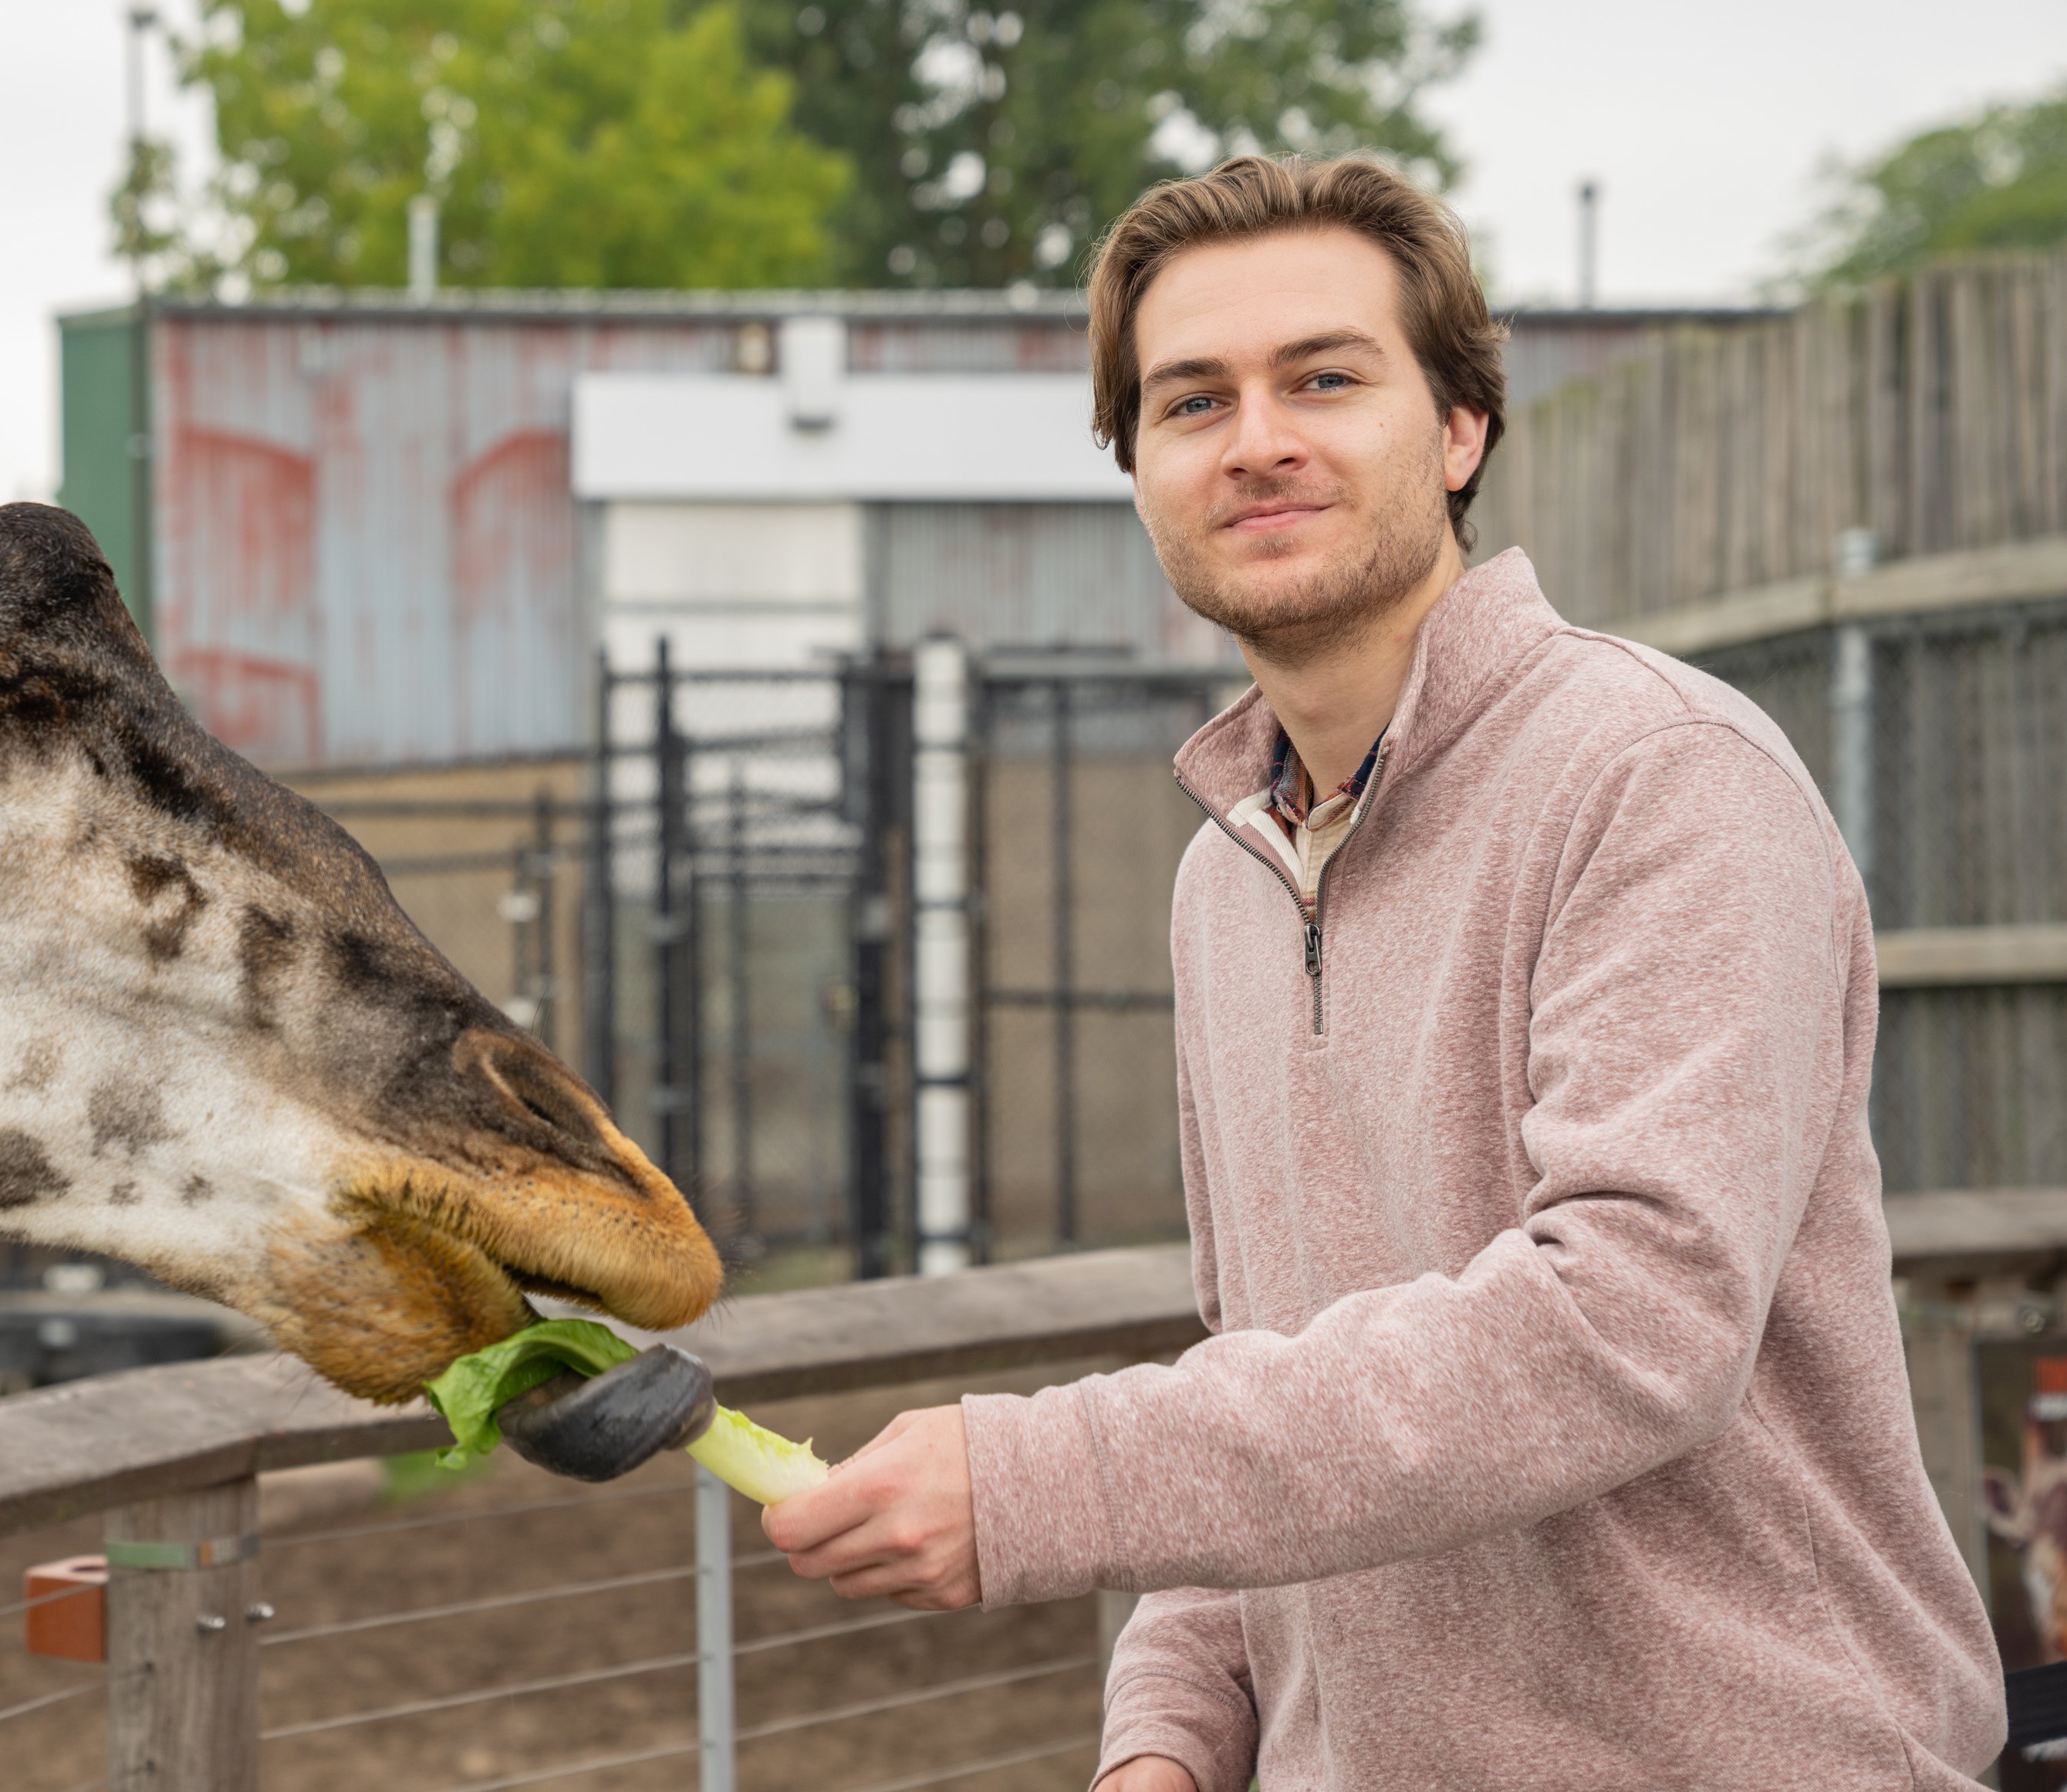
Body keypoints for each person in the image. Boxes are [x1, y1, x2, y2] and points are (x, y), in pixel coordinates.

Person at [762, 154, 2003, 1788]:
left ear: (1462, 426)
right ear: (1138, 467)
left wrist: (1043, 1472)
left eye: (1326, 378)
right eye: (1191, 399)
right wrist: (1172, 1735)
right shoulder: (1229, 876)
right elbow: (1260, 1386)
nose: (1257, 436)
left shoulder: (1663, 776)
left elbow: (1631, 1321)